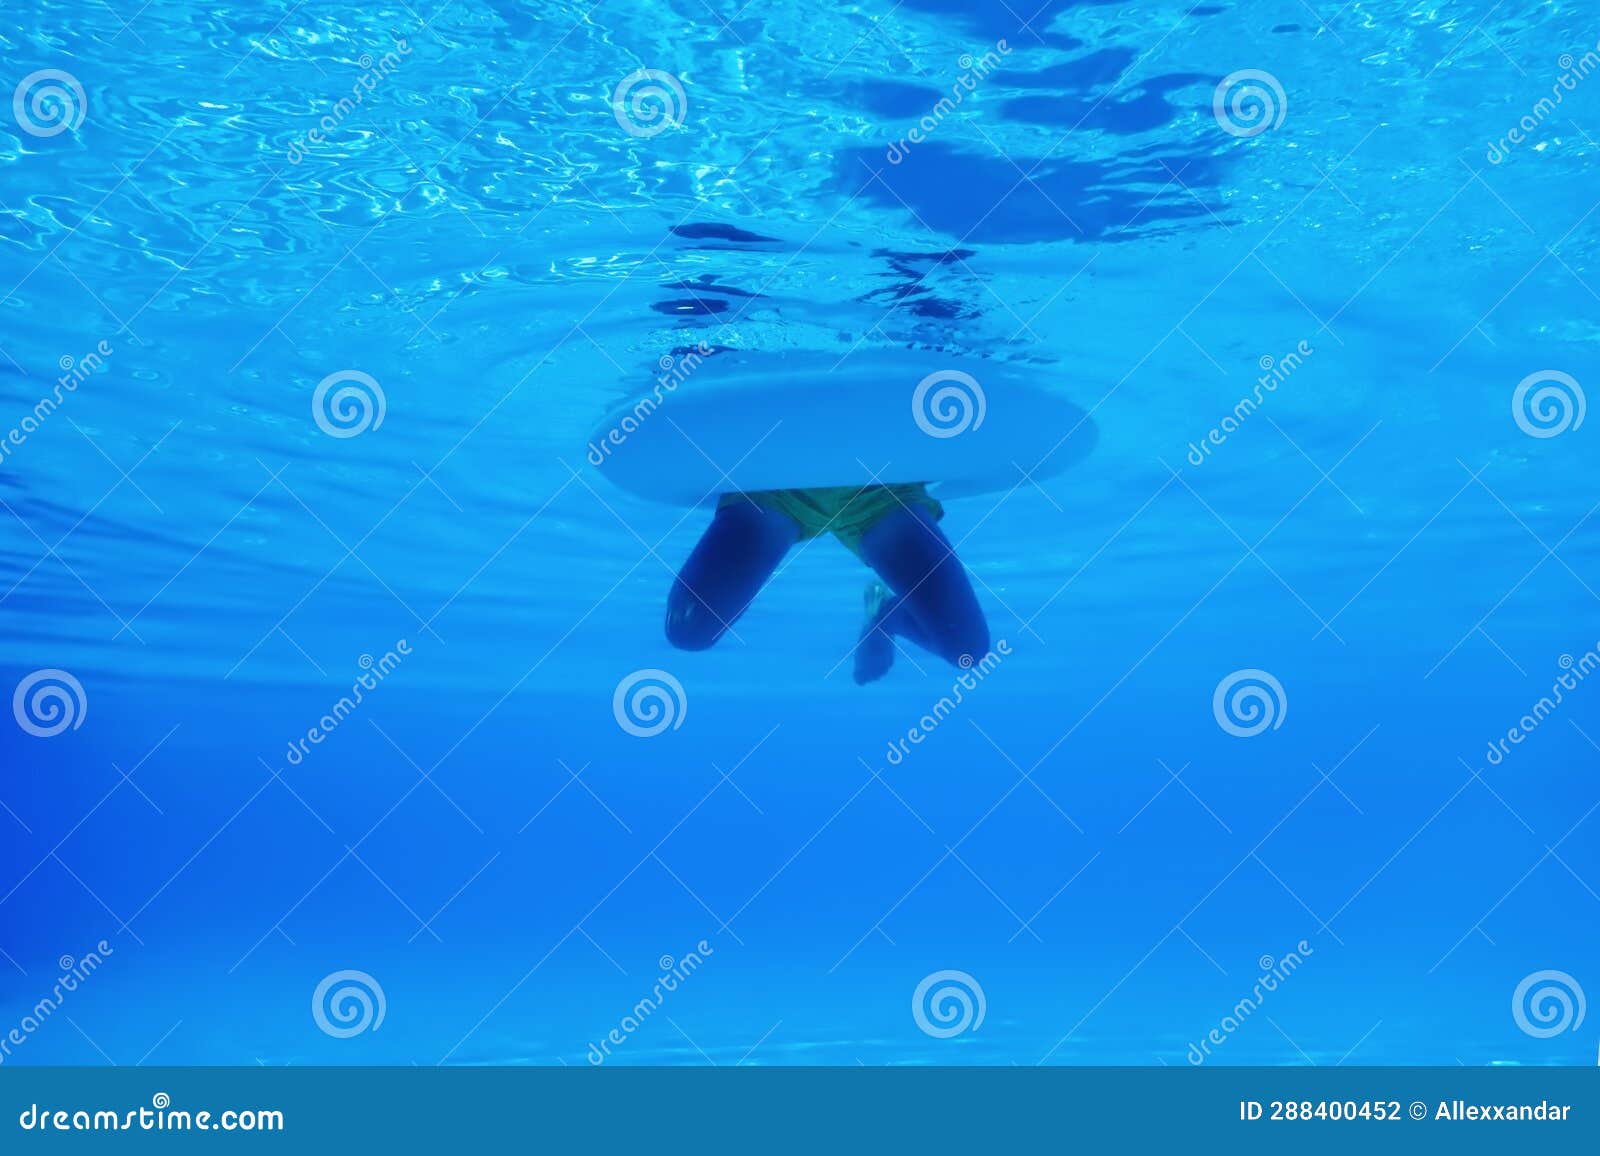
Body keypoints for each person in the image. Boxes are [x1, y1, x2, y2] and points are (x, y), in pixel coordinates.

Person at [665, 482, 990, 684]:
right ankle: (886, 618)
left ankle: (886, 618)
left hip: (879, 494)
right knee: (689, 628)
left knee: (967, 651)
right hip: (778, 488)